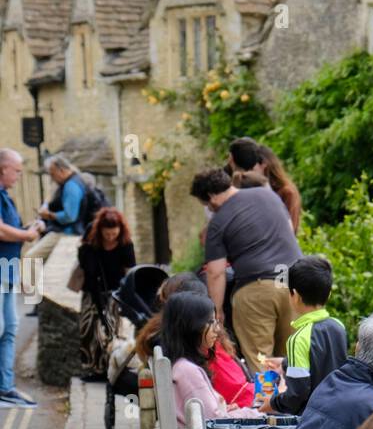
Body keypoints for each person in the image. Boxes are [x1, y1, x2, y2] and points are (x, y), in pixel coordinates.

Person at [191, 167, 301, 372]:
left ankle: (268, 403)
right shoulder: (268, 195)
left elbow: (215, 273)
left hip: (256, 289)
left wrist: (217, 312)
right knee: (292, 358)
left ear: (210, 197)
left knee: (262, 363)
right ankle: (296, 402)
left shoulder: (218, 221)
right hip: (291, 282)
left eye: (206, 204)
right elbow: (289, 230)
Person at [136, 272, 254, 409]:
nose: (217, 329)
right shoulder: (190, 365)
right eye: (210, 321)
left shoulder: (167, 344)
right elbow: (217, 409)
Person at [159, 289, 258, 429]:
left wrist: (227, 410)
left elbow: (210, 415)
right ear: (191, 326)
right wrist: (251, 413)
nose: (217, 330)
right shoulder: (187, 371)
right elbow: (215, 423)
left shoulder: (180, 366)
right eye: (210, 322)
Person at [263, 256, 347, 416]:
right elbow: (325, 364)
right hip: (337, 413)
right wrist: (285, 364)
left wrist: (273, 403)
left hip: (310, 421)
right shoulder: (338, 326)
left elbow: (297, 393)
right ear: (328, 294)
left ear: (294, 295)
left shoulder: (298, 339)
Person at [0, 148, 40, 408]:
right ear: (3, 169)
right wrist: (27, 235)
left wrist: (31, 229)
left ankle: (5, 387)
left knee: (10, 329)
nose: (18, 175)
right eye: (16, 170)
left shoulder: (6, 198)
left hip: (7, 270)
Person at [77, 208, 136, 380]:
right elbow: (85, 265)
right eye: (107, 234)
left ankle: (112, 369)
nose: (110, 237)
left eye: (114, 234)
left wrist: (127, 297)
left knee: (113, 331)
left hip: (116, 294)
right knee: (89, 330)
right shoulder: (92, 242)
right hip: (93, 291)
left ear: (120, 231)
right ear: (100, 230)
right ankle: (95, 370)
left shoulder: (126, 244)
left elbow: (129, 272)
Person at [227, 138, 302, 235]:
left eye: (252, 167)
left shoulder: (287, 191)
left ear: (263, 164)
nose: (248, 173)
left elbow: (290, 229)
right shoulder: (254, 187)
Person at [37, 154, 89, 235]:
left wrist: (49, 215)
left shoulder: (71, 186)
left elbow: (69, 216)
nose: (52, 178)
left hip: (68, 233)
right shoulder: (73, 181)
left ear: (61, 171)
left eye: (53, 174)